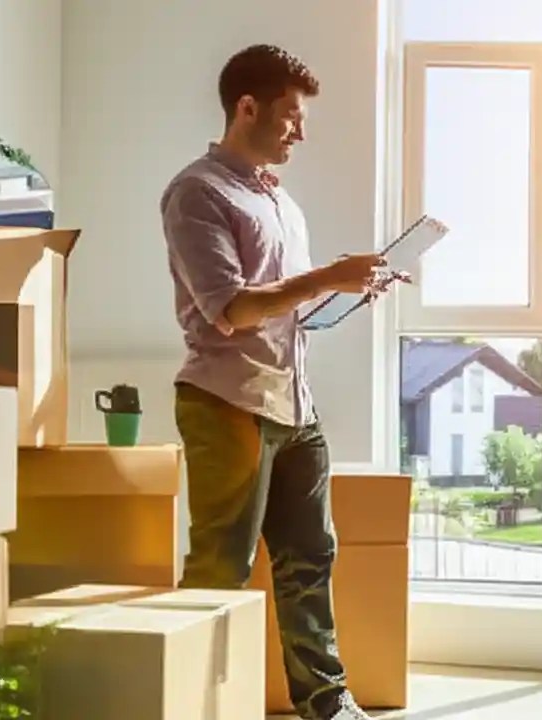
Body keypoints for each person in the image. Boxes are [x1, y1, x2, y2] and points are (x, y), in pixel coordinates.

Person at [160, 44, 392, 720]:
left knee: (310, 559)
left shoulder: (282, 204)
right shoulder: (197, 192)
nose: (301, 130)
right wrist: (325, 277)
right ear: (248, 107)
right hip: (226, 403)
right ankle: (189, 703)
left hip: (295, 402)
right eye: (292, 115)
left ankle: (327, 702)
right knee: (219, 569)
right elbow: (231, 309)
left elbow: (291, 305)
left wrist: (348, 291)